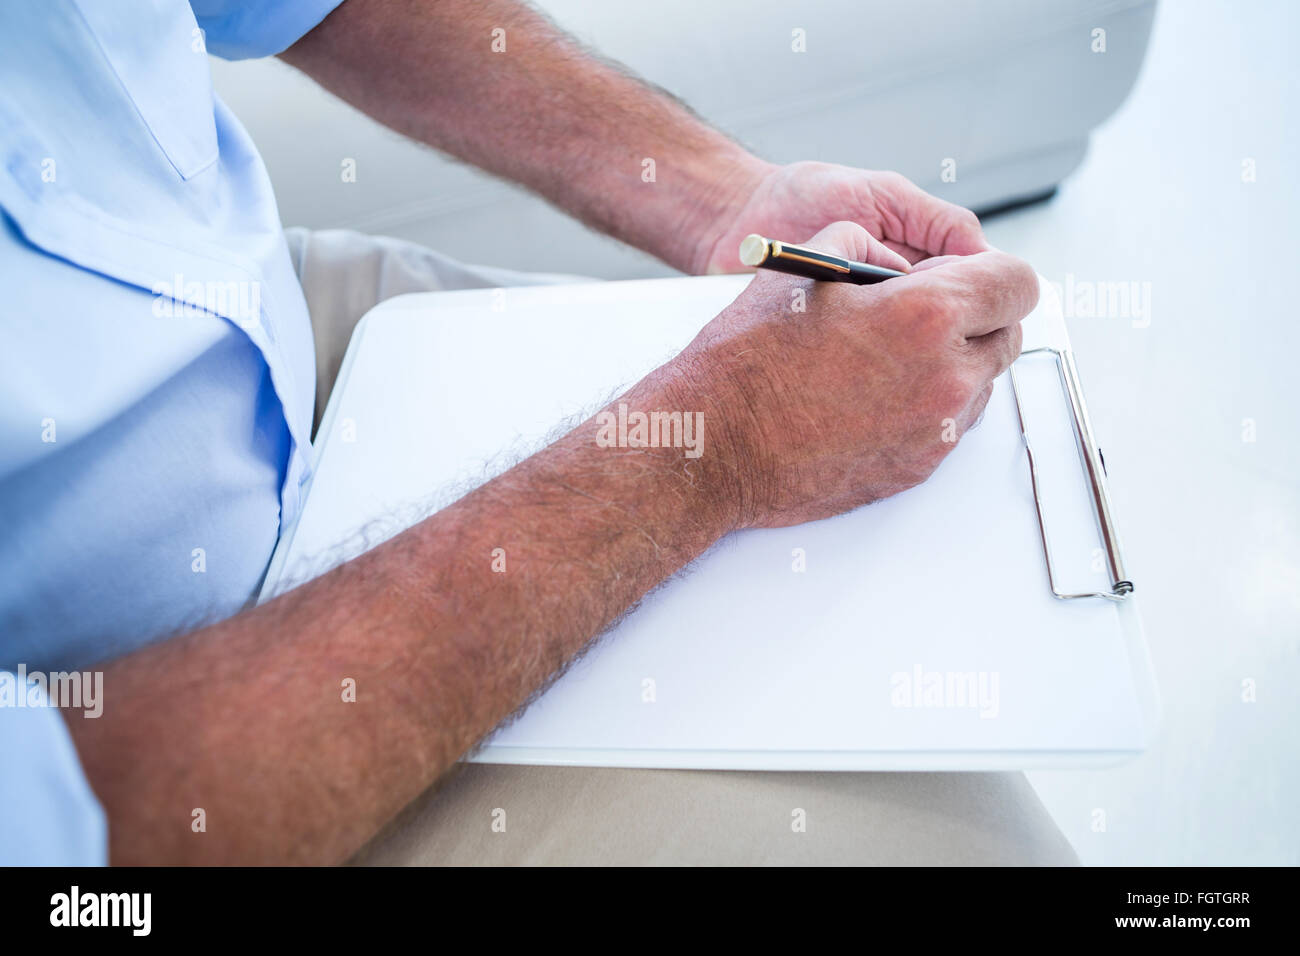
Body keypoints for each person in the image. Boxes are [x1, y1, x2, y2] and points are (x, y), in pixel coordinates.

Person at [0, 0, 1072, 865]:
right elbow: (76, 825)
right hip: (197, 747)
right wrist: (721, 437)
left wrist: (723, 199)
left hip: (272, 318)